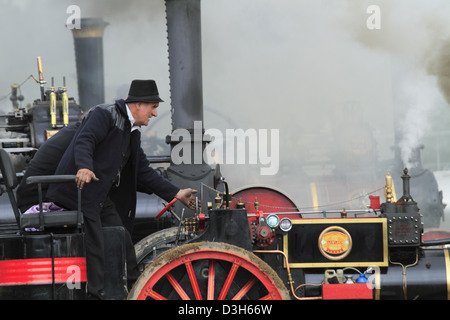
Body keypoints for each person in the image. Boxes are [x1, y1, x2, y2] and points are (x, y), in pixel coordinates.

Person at [46, 79, 197, 299]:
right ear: (138, 105)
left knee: (122, 238)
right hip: (79, 193)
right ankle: (95, 295)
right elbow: (85, 140)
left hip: (98, 195)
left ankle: (135, 290)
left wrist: (176, 193)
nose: (155, 114)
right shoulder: (104, 114)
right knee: (96, 247)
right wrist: (85, 167)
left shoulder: (132, 131)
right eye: (153, 107)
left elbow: (143, 172)